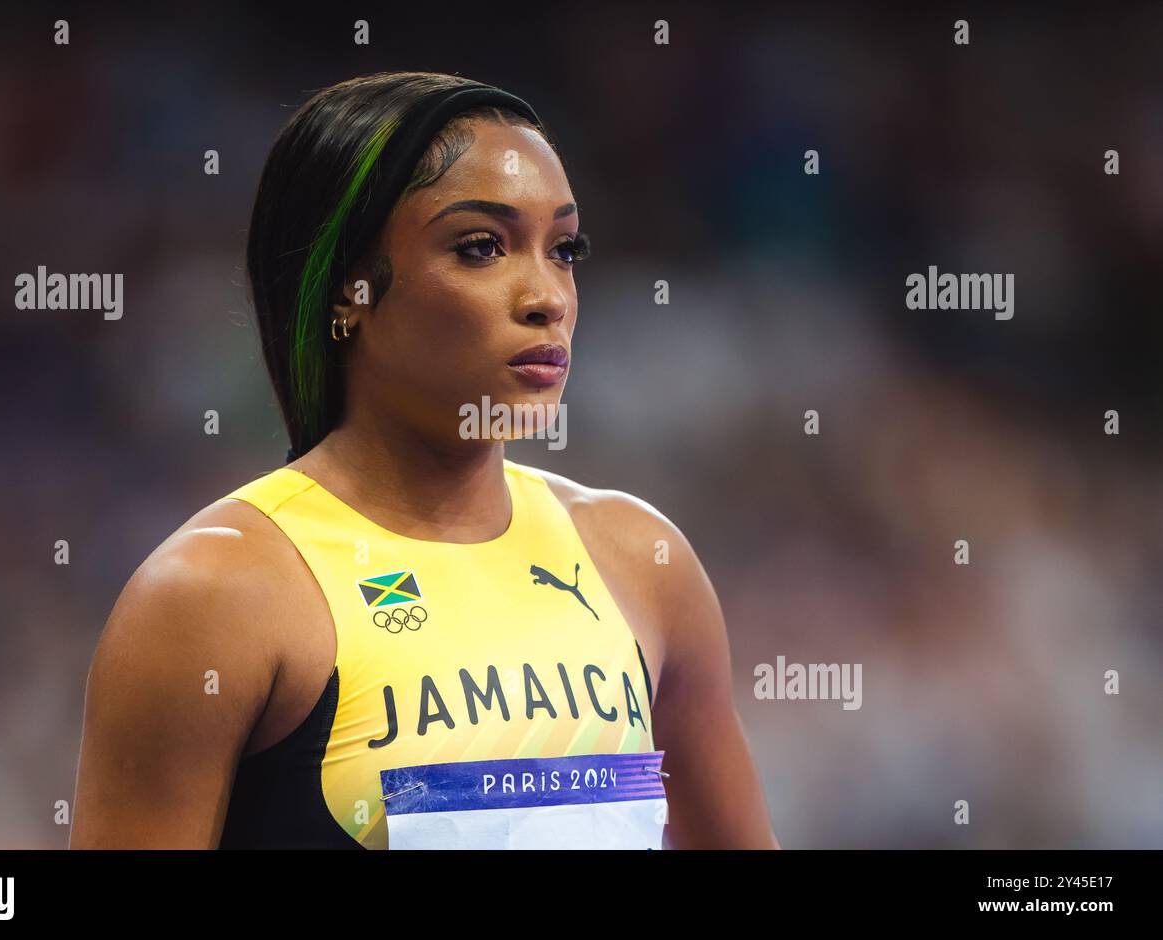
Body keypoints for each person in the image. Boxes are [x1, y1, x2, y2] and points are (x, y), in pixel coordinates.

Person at [70, 70, 778, 849]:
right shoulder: (217, 595)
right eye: (481, 247)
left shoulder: (642, 561)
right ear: (351, 288)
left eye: (564, 248)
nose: (547, 295)